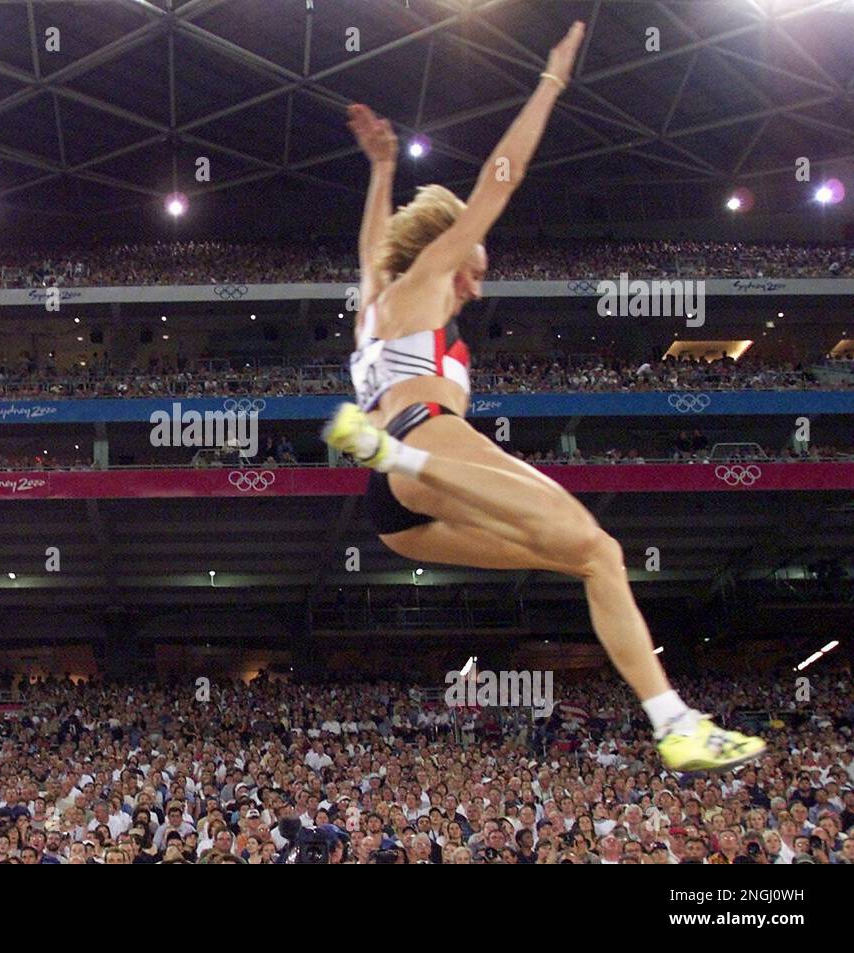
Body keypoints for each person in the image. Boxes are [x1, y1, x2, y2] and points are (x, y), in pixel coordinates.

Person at [322, 21, 764, 774]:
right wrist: (552, 81)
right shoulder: (430, 278)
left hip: (393, 513)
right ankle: (675, 723)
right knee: (600, 545)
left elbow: (369, 248)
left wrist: (381, 169)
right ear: (447, 252)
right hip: (425, 442)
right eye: (474, 266)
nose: (475, 280)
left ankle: (675, 721)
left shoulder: (375, 305)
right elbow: (502, 176)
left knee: (593, 556)